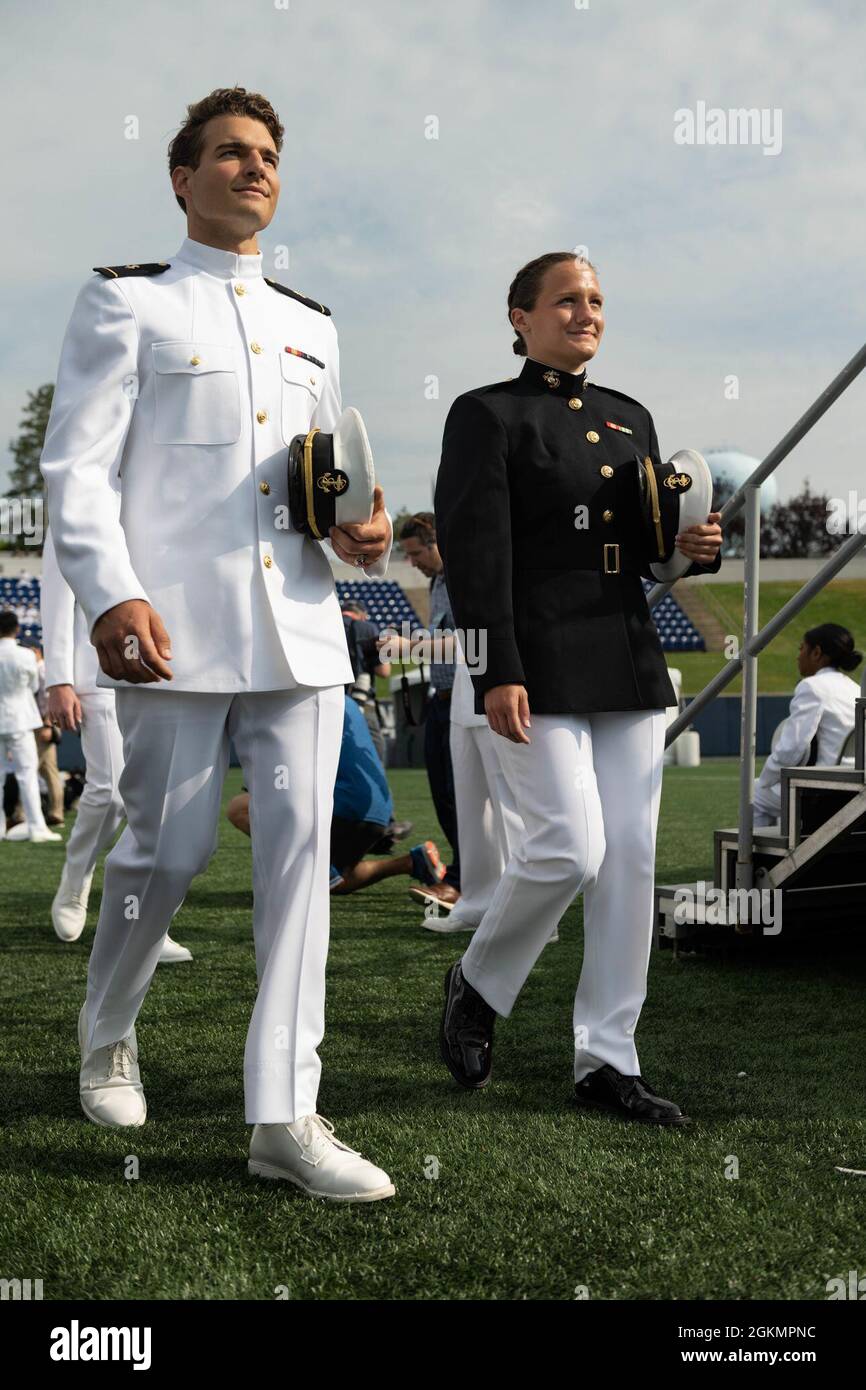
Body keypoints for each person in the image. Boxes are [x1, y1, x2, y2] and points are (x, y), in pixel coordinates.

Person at [39, 86, 396, 1202]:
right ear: (181, 178)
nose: (255, 168)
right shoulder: (124, 305)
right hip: (171, 634)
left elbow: (330, 478)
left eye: (268, 155)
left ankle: (283, 1115)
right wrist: (108, 594)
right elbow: (74, 470)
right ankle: (108, 1032)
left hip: (298, 632)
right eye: (231, 153)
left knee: (298, 867)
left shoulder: (313, 324)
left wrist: (363, 533)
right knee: (168, 852)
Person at [434, 251, 722, 1124]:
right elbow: (476, 553)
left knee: (630, 861)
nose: (585, 312)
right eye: (565, 300)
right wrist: (496, 669)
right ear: (520, 316)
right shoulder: (487, 415)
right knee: (567, 848)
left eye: (595, 300)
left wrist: (687, 551)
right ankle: (477, 986)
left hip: (624, 652)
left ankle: (607, 1059)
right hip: (536, 655)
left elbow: (648, 553)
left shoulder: (629, 417)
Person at [40, 527, 191, 961]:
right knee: (109, 794)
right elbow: (56, 593)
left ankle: (149, 921)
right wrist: (59, 679)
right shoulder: (83, 491)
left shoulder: (166, 494)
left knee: (160, 801)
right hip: (96, 672)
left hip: (165, 667)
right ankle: (75, 882)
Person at [226, 693, 446, 896]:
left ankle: (305, 873)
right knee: (339, 880)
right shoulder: (342, 699)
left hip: (348, 806)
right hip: (377, 813)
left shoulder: (294, 702)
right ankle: (411, 862)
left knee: (240, 807)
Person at [396, 514, 461, 909]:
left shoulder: (462, 579)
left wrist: (410, 647)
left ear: (436, 543)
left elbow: (471, 644)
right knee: (444, 797)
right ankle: (460, 875)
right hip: (442, 698)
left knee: (461, 799)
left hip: (465, 702)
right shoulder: (438, 582)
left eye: (416, 552)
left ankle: (461, 881)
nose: (412, 562)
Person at [754, 623, 862, 827]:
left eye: (801, 648)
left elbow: (792, 749)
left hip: (826, 792)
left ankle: (757, 858)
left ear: (816, 653)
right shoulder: (855, 689)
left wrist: (766, 778)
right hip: (857, 789)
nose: (798, 656)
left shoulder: (812, 687)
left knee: (754, 792)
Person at [0, 611, 61, 843]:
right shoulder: (26, 655)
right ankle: (37, 827)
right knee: (27, 773)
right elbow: (34, 685)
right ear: (16, 629)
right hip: (20, 719)